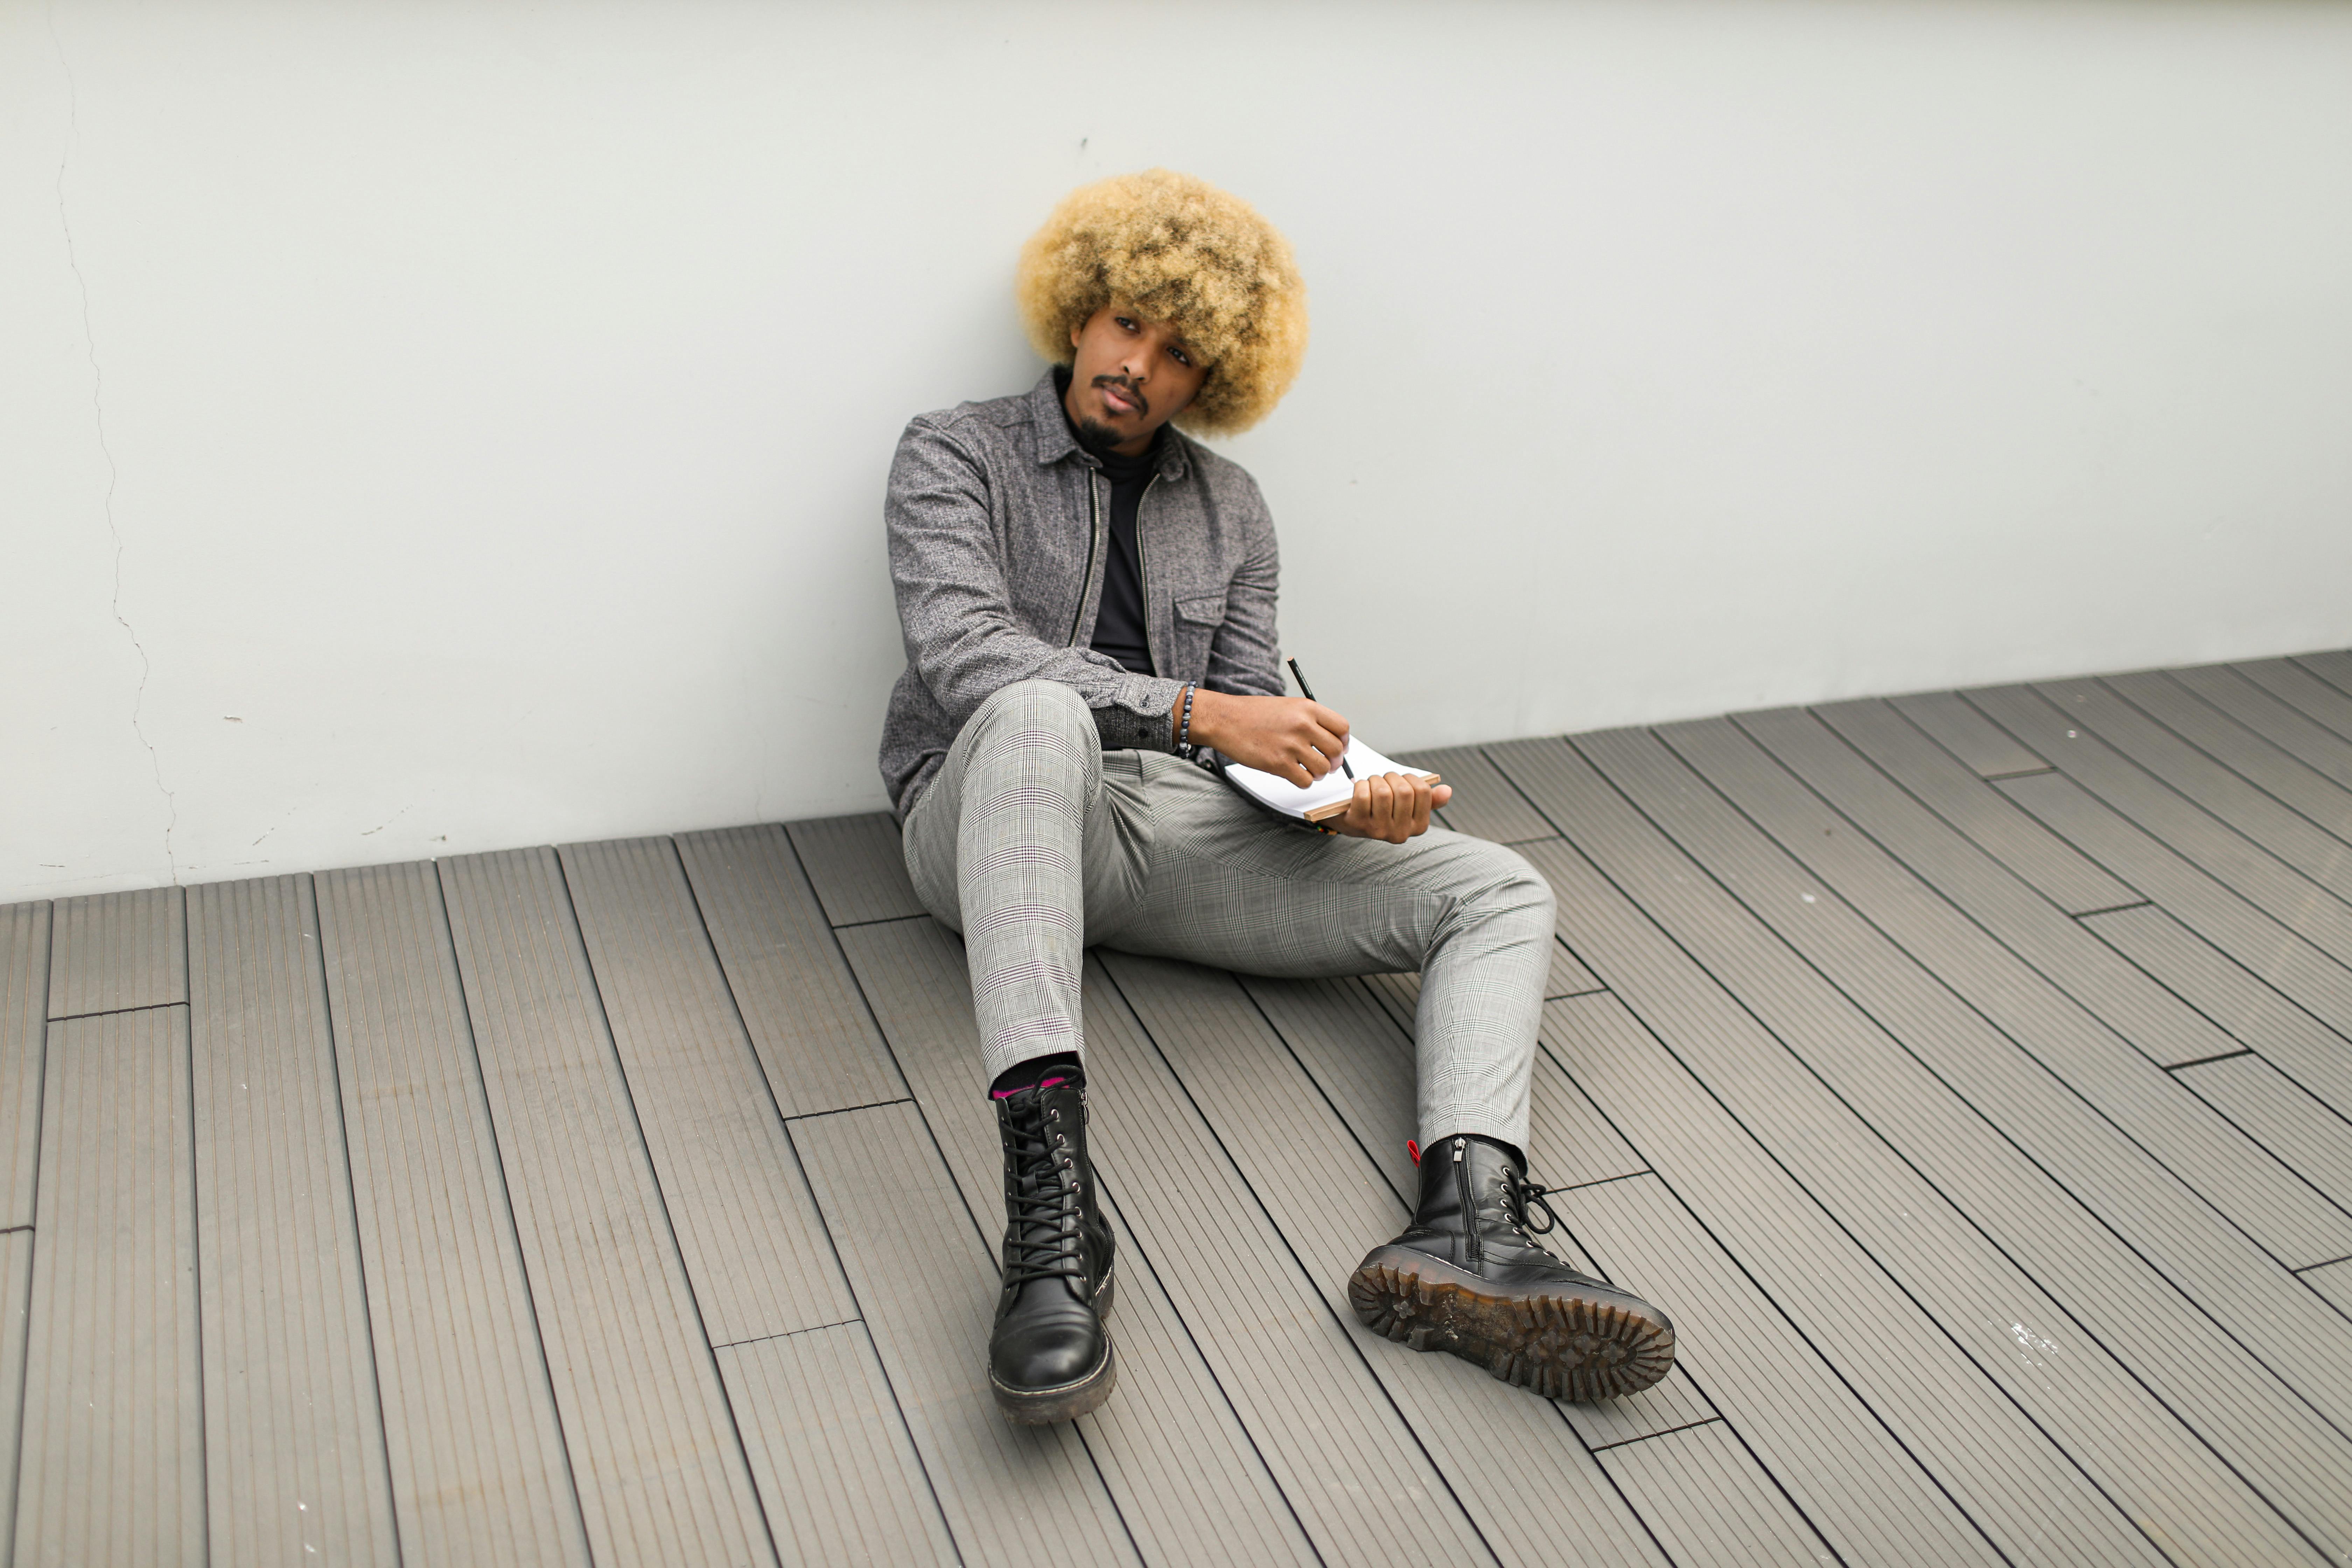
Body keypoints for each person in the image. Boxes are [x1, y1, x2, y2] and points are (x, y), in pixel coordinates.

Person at [879, 169, 1675, 1423]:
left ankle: (1468, 1225)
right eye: (1128, 325)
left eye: (1180, 353)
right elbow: (965, 656)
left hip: (1161, 833)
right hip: (984, 819)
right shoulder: (954, 450)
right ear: (1081, 311)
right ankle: (1053, 1231)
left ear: (1214, 379)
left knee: (1500, 889)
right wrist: (1199, 711)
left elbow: (1252, 720)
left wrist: (1339, 799)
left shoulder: (1233, 510)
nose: (1138, 366)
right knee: (1032, 711)